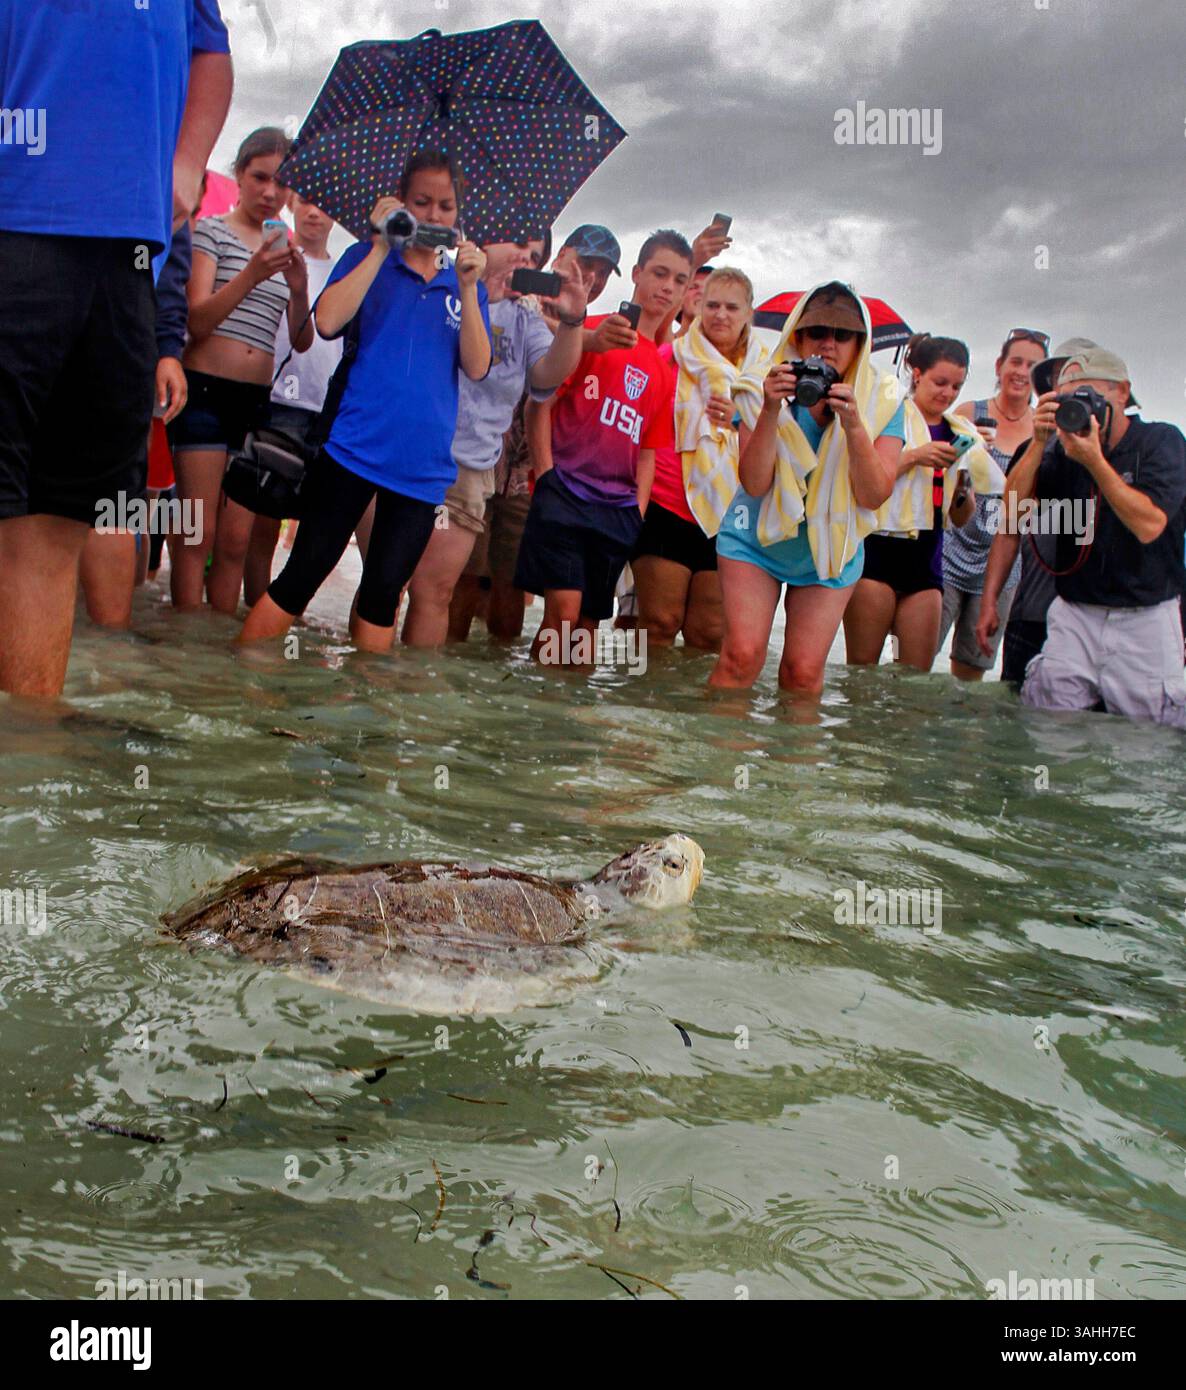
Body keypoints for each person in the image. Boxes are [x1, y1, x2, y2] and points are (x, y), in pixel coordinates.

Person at [0, 0, 232, 698]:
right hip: (14, 217)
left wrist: (188, 164)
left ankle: (33, 755)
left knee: (62, 519)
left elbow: (209, 52)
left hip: (129, 255)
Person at [238, 151, 491, 652]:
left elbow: (478, 365)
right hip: (353, 446)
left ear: (460, 211)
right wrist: (379, 247)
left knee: (381, 596)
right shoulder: (365, 257)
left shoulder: (464, 282)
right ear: (400, 201)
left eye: (445, 205)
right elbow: (327, 322)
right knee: (301, 575)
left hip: (421, 467)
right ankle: (241, 678)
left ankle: (366, 718)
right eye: (421, 202)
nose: (433, 215)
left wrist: (468, 285)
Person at [709, 281, 903, 696]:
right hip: (754, 536)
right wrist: (770, 409)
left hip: (829, 549)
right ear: (797, 334)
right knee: (740, 657)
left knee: (803, 674)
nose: (828, 344)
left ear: (860, 343)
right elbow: (755, 483)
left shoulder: (882, 399)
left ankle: (790, 763)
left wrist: (853, 425)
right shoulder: (761, 382)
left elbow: (874, 495)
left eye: (843, 334)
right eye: (817, 332)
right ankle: (720, 760)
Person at [400, 238, 592, 647]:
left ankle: (410, 697)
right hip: (404, 451)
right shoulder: (438, 279)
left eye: (535, 255)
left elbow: (546, 376)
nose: (526, 258)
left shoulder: (526, 316)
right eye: (518, 244)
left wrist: (573, 321)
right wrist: (472, 289)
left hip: (467, 465)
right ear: (484, 238)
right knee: (387, 583)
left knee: (434, 592)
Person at [513, 230, 691, 663]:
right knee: (564, 614)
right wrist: (547, 476)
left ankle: (565, 714)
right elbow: (542, 402)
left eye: (680, 280)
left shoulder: (665, 367)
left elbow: (648, 448)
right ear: (636, 274)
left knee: (589, 625)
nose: (667, 287)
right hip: (566, 491)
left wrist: (638, 511)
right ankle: (542, 706)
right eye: (659, 273)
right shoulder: (592, 329)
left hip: (616, 509)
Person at [988, 347, 1186, 726]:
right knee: (1048, 726)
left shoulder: (1162, 442)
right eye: (1067, 398)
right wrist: (1038, 443)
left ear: (1123, 393)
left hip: (1145, 614)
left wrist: (1094, 460)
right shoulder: (1057, 448)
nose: (1079, 408)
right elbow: (1012, 514)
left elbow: (1149, 525)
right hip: (1076, 610)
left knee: (1145, 740)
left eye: (1089, 396)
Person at [447, 226, 620, 643]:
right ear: (561, 254)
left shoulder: (578, 314)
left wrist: (582, 328)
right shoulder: (519, 292)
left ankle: (495, 695)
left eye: (601, 274)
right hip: (479, 455)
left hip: (528, 477)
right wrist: (588, 338)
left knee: (512, 586)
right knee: (462, 577)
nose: (592, 278)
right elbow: (517, 312)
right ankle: (443, 674)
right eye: (587, 265)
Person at [170, 127, 312, 615]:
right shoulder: (212, 232)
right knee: (196, 533)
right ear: (240, 174)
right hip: (204, 391)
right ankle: (183, 641)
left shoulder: (288, 252)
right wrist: (253, 271)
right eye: (260, 177)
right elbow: (197, 319)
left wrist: (297, 290)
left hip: (257, 403)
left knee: (235, 541)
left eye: (281, 182)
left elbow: (301, 340)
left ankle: (216, 654)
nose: (270, 192)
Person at [633, 267, 767, 651]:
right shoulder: (670, 357)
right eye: (712, 305)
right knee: (658, 624)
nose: (720, 315)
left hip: (734, 514)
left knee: (708, 634)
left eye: (731, 307)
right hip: (665, 504)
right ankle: (639, 707)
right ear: (697, 305)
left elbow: (783, 443)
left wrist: (739, 419)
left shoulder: (763, 373)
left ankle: (693, 712)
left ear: (748, 313)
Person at [843, 334, 984, 670]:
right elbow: (864, 477)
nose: (947, 393)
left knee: (914, 677)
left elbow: (961, 517)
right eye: (940, 382)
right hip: (879, 548)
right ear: (917, 373)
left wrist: (964, 483)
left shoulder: (960, 432)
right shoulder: (889, 414)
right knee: (862, 671)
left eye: (956, 387)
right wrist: (916, 456)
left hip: (928, 555)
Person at [976, 338, 1099, 686]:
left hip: (1099, 613)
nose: (1070, 394)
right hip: (1031, 612)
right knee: (1014, 718)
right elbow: (1009, 524)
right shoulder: (1034, 449)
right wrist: (989, 602)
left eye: (1082, 388)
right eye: (1062, 386)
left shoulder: (1126, 448)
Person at [243, 191, 345, 605]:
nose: (314, 211)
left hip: (324, 411)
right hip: (275, 401)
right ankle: (252, 610)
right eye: (305, 201)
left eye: (324, 203)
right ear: (291, 206)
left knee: (313, 532)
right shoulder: (268, 261)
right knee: (260, 525)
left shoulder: (344, 273)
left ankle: (286, 615)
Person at [937, 330, 1048, 679]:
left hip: (1003, 566)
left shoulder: (1043, 430)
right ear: (999, 366)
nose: (1021, 371)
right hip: (951, 552)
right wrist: (968, 452)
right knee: (915, 661)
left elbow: (1043, 504)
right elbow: (941, 475)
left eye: (1033, 365)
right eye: (1015, 361)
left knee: (971, 672)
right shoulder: (969, 412)